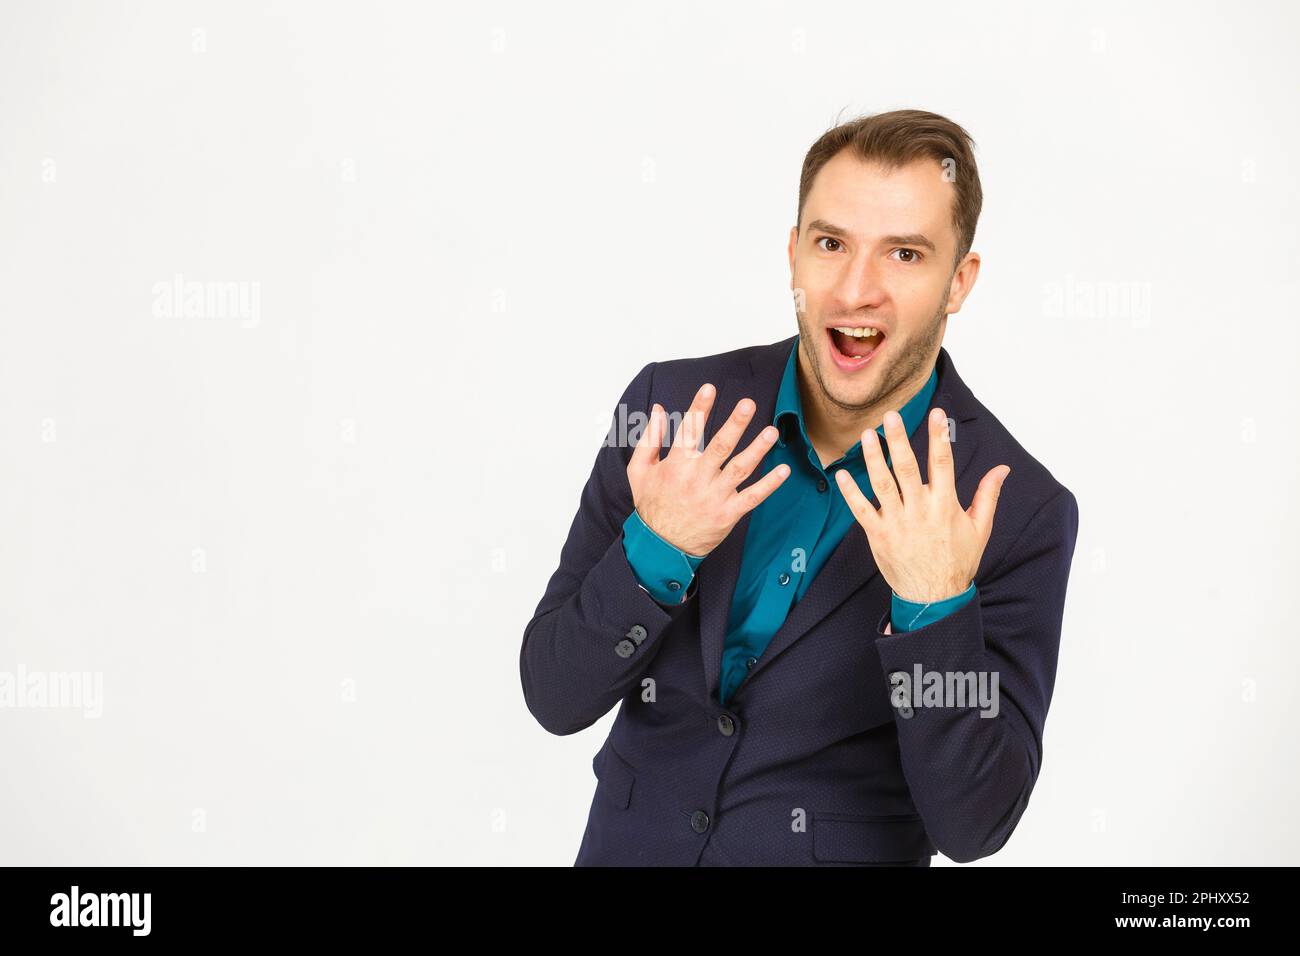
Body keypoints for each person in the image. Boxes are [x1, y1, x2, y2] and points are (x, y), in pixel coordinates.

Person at [520, 109, 1080, 866]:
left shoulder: (1015, 506)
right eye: (830, 244)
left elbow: (975, 824)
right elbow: (554, 695)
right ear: (793, 255)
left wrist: (933, 610)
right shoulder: (674, 408)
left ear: (959, 282)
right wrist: (654, 552)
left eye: (905, 254)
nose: (856, 290)